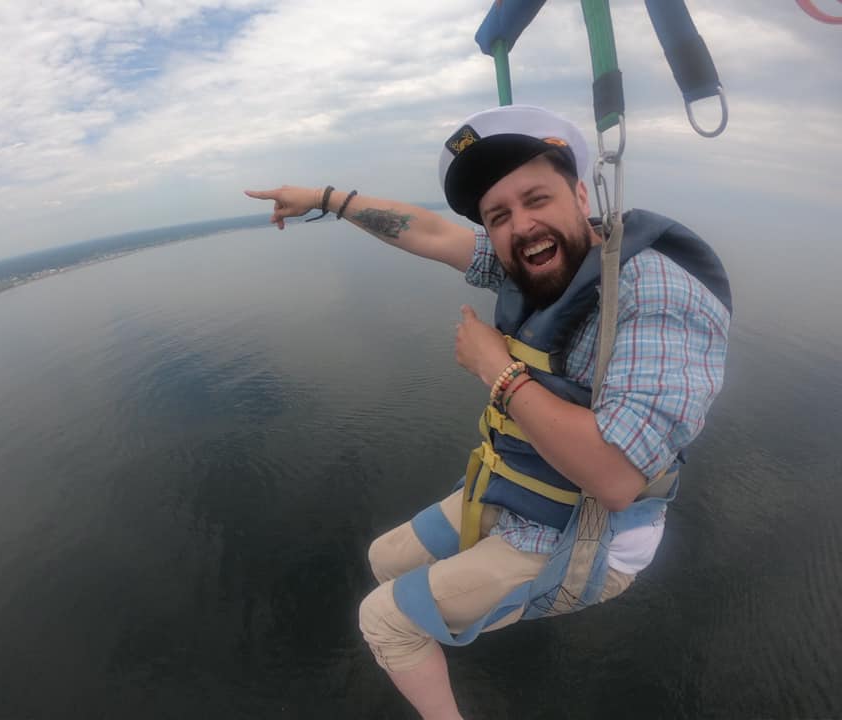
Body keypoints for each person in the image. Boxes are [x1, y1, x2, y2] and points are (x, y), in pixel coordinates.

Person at [246, 104, 731, 720]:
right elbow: (428, 231)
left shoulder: (654, 293)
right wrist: (324, 197)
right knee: (381, 560)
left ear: (583, 194)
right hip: (521, 489)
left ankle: (438, 633)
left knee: (384, 622)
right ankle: (458, 602)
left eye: (537, 199)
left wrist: (496, 370)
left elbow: (614, 479)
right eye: (498, 216)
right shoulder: (535, 262)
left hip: (589, 533)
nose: (521, 227)